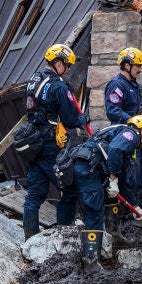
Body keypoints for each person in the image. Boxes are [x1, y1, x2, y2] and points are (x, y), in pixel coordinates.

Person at [68, 115, 142, 272]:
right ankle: (91, 262)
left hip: (92, 168)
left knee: (111, 199)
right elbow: (115, 150)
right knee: (94, 211)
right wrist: (113, 177)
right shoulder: (131, 135)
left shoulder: (121, 136)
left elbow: (123, 182)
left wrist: (135, 207)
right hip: (87, 169)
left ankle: (115, 239)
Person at [21, 43, 89, 240]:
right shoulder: (59, 87)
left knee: (34, 192)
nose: (67, 71)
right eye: (67, 66)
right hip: (50, 142)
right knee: (69, 187)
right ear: (58, 63)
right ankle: (64, 234)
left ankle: (30, 236)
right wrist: (83, 119)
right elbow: (70, 119)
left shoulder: (33, 80)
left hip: (32, 140)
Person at [104, 47, 142, 209]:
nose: (140, 70)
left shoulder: (133, 85)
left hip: (141, 136)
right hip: (126, 137)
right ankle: (133, 209)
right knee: (133, 174)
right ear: (126, 65)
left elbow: (140, 111)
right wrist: (134, 123)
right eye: (137, 66)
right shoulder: (116, 85)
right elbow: (113, 111)